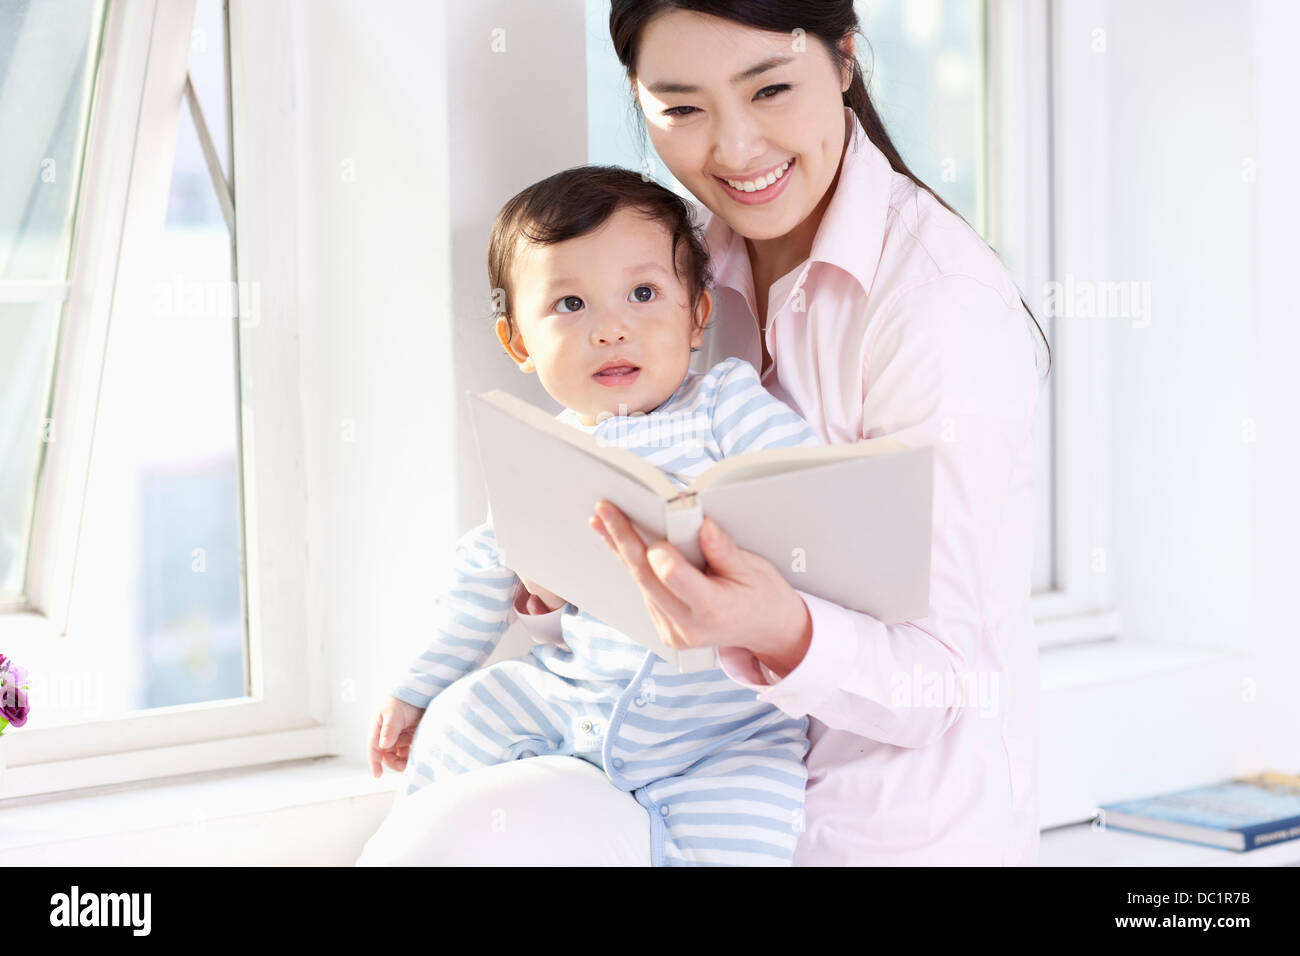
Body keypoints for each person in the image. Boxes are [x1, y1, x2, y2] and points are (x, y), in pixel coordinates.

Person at [358, 0, 1050, 866]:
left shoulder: (940, 307)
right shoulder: (668, 270)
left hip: (879, 835)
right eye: (681, 108)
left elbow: (940, 678)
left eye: (770, 89)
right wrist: (565, 585)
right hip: (641, 776)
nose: (733, 150)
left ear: (844, 59)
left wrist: (778, 626)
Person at [357, 165, 822, 866]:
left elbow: (804, 489)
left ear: (697, 315)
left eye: (642, 294)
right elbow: (485, 568)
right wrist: (415, 687)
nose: (611, 329)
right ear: (519, 343)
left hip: (728, 734)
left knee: (748, 838)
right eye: (570, 305)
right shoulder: (548, 450)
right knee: (464, 715)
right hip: (579, 698)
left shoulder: (723, 403)